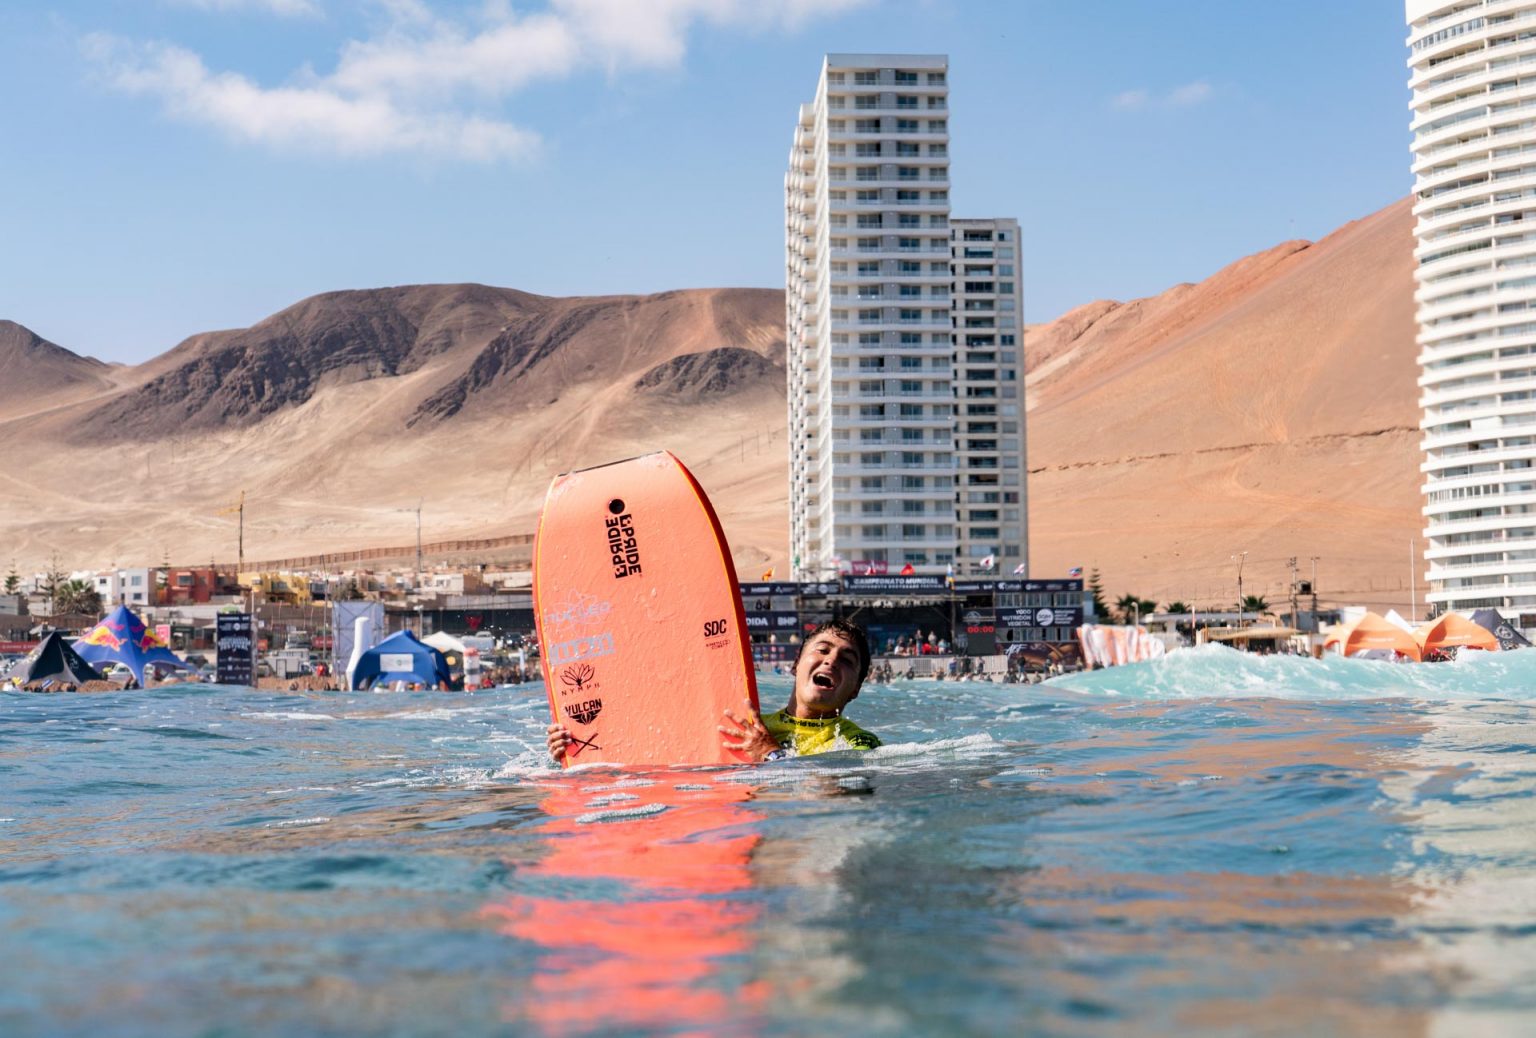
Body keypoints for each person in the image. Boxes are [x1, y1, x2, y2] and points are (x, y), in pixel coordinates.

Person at [546, 618, 880, 764]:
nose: (831, 660)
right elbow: (662, 754)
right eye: (822, 650)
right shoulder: (747, 728)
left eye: (847, 660)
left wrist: (771, 755)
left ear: (855, 689)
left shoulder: (860, 743)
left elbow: (833, 795)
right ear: (796, 665)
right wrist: (581, 749)